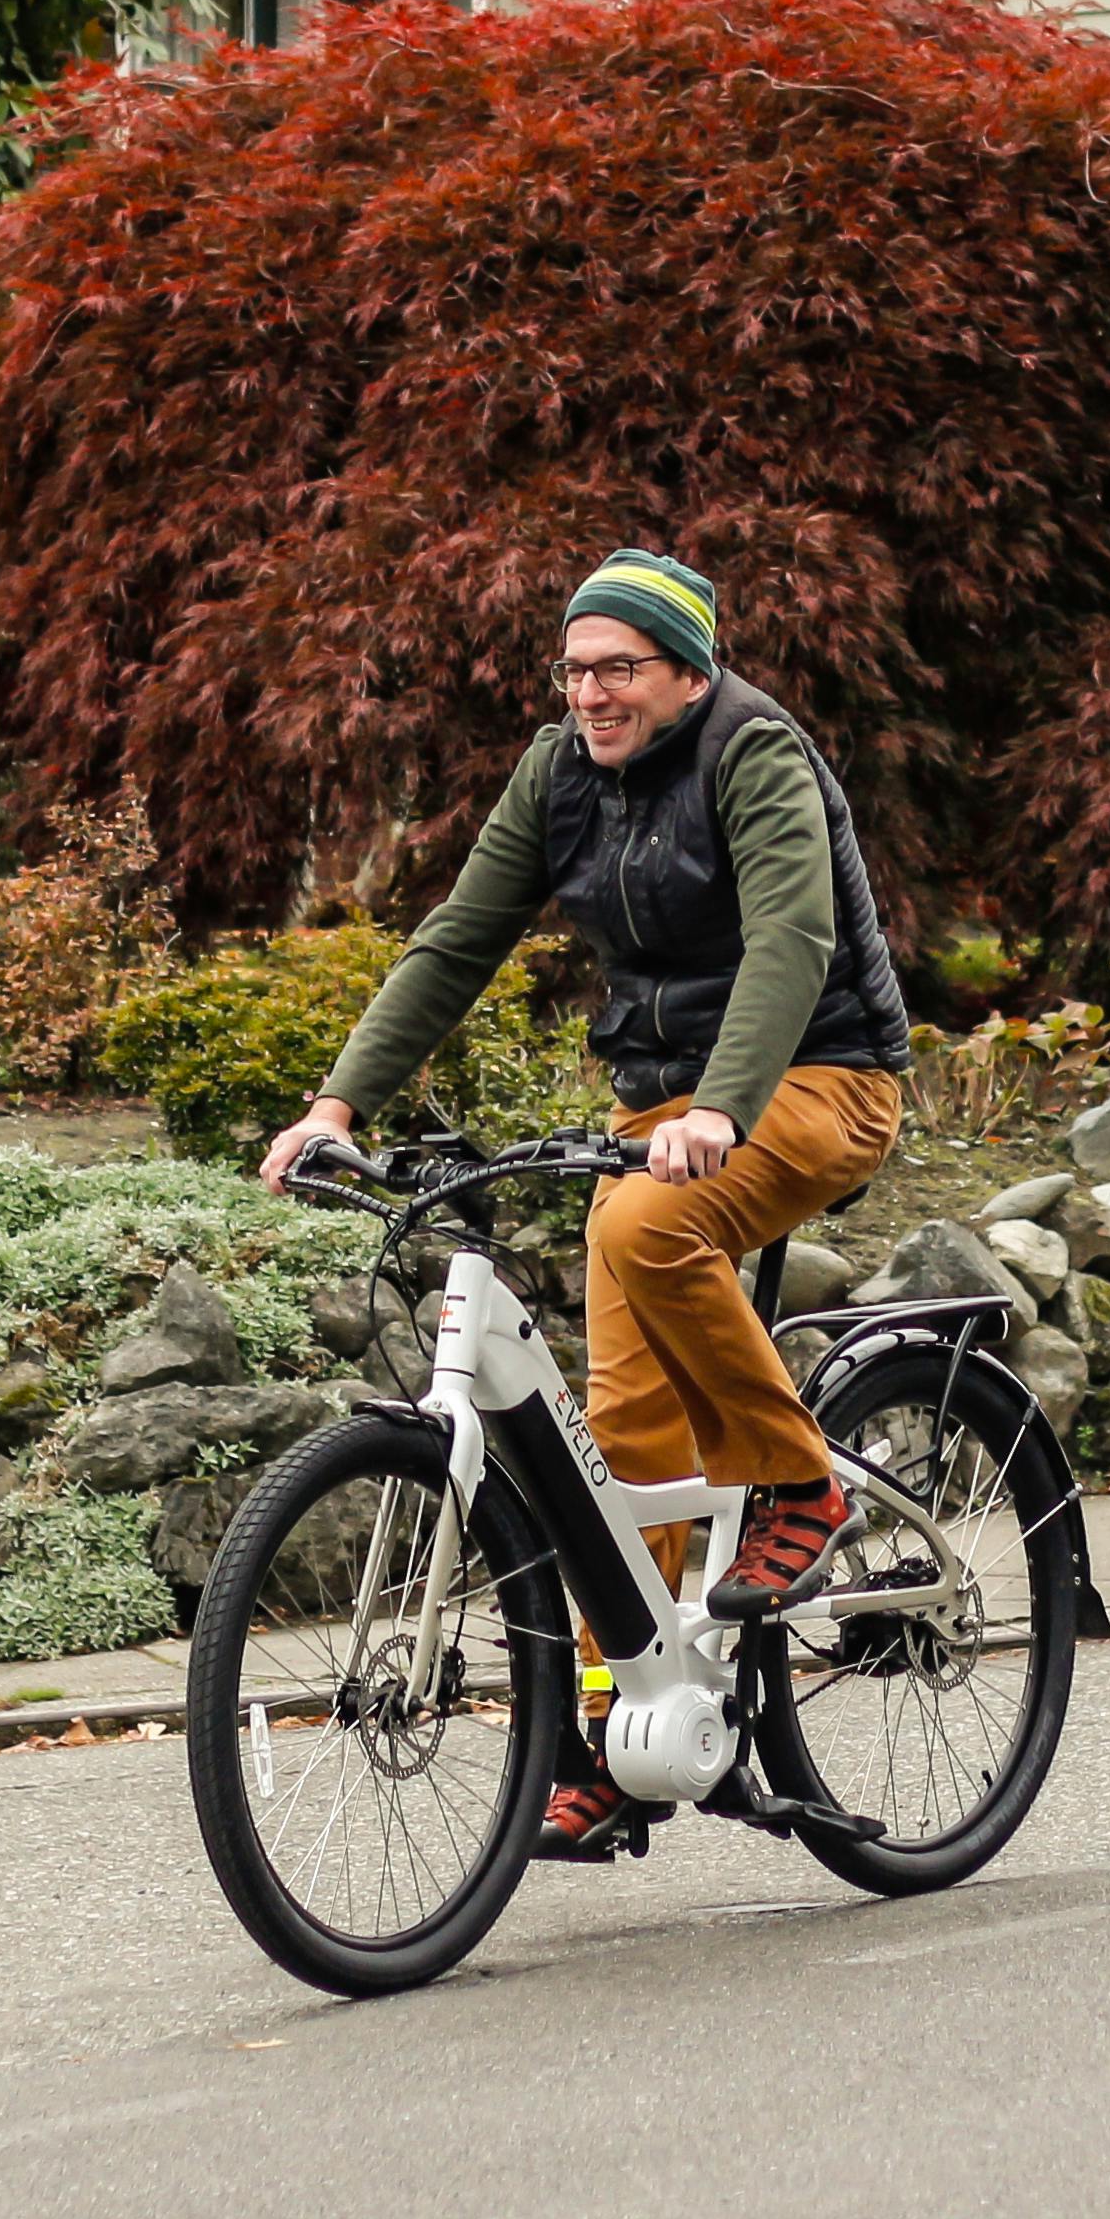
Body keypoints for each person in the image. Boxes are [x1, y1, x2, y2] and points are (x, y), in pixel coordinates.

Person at [261, 548, 912, 1854]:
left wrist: (723, 1105)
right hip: (660, 1117)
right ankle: (629, 1726)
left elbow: (794, 942)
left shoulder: (754, 754)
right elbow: (458, 939)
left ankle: (800, 1484)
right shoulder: (557, 770)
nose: (591, 693)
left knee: (642, 1225)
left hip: (816, 1080)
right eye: (574, 670)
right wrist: (338, 1104)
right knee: (614, 1434)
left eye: (618, 669)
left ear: (685, 672)